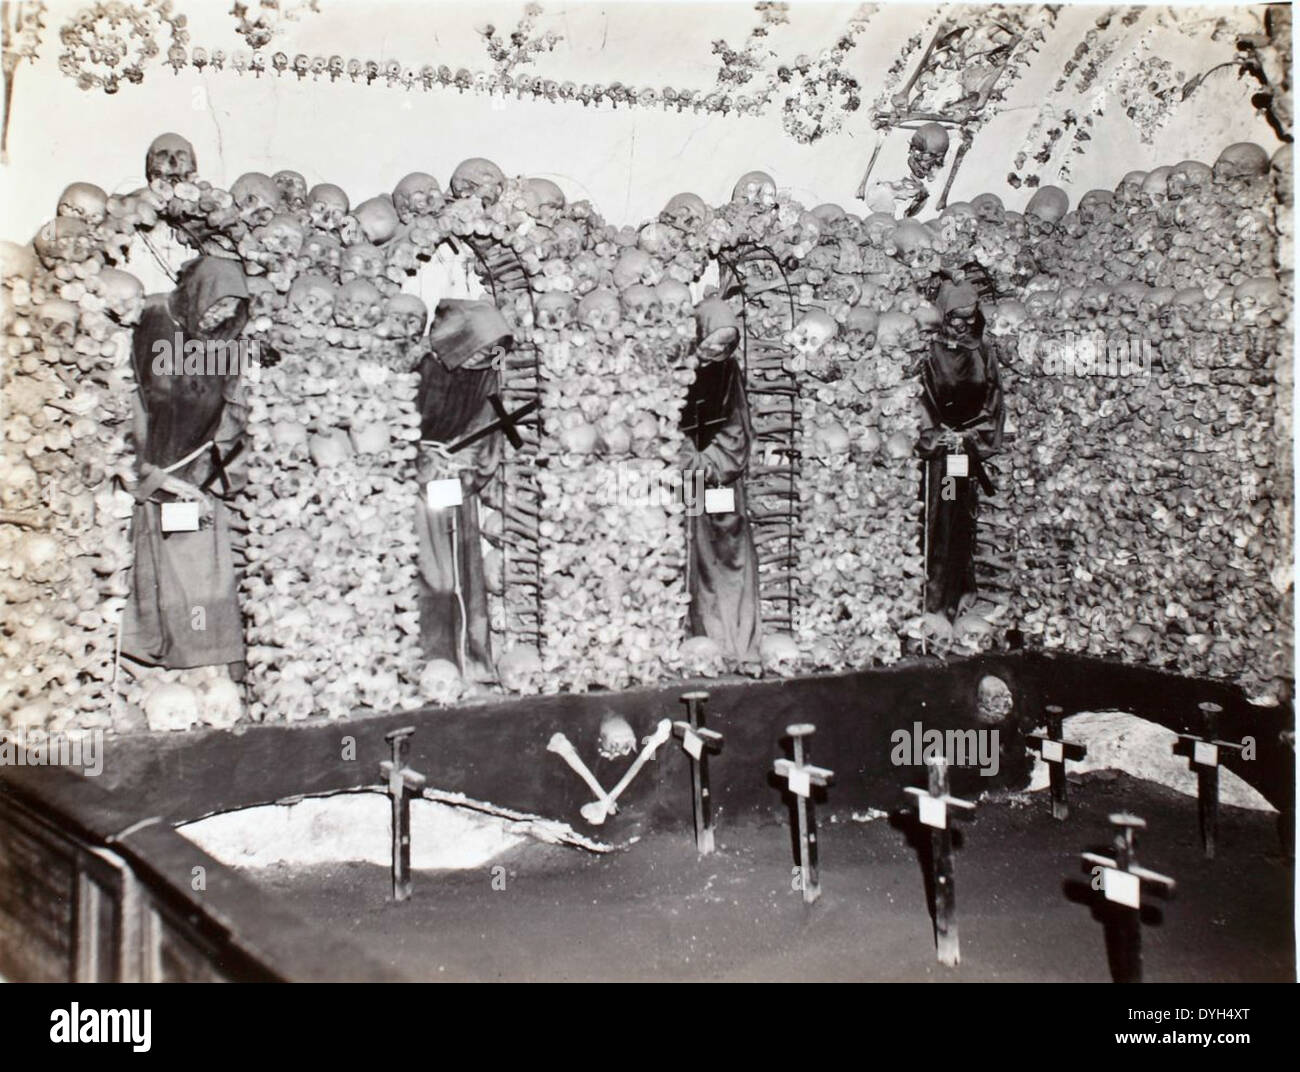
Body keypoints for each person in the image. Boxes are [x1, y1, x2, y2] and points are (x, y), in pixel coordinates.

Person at [122, 256, 250, 672]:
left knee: (199, 583)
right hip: (152, 475)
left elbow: (230, 413)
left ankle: (201, 665)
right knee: (154, 586)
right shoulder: (152, 322)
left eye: (233, 309)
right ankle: (151, 669)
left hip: (197, 479)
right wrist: (152, 475)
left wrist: (219, 473)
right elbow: (132, 405)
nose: (223, 316)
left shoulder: (224, 342)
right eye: (217, 305)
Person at [415, 298, 513, 680]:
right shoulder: (419, 372)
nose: (487, 356)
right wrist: (424, 466)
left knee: (465, 580)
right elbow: (390, 427)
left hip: (457, 490)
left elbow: (488, 433)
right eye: (481, 346)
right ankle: (430, 664)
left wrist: (461, 467)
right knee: (434, 581)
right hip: (417, 496)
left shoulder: (485, 378)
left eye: (493, 351)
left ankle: (472, 665)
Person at [681, 298, 761, 668]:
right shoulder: (681, 368)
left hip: (721, 482)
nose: (717, 349)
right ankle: (708, 643)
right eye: (713, 340)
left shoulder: (730, 373)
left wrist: (704, 464)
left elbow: (737, 430)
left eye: (726, 344)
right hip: (690, 483)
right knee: (698, 559)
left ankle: (738, 640)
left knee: (732, 558)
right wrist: (687, 459)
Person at [918, 279, 1004, 619]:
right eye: (957, 316)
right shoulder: (928, 351)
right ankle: (933, 598)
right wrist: (933, 434)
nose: (963, 324)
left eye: (970, 317)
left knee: (958, 517)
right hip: (939, 455)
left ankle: (955, 595)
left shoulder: (982, 352)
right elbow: (919, 396)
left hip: (960, 454)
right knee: (936, 521)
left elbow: (994, 399)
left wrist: (971, 435)